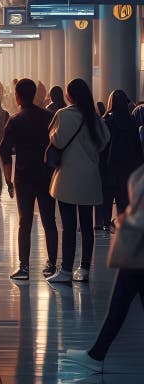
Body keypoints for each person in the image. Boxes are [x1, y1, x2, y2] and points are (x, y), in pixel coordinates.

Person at [65, 164, 144, 372]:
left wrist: (126, 221)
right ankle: (96, 354)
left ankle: (97, 355)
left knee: (120, 301)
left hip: (138, 247)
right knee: (120, 301)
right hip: (137, 248)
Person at [47, 78, 110, 283]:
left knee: (68, 226)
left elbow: (55, 140)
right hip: (90, 178)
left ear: (69, 95)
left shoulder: (63, 115)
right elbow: (103, 142)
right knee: (86, 224)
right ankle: (84, 269)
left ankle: (65, 270)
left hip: (67, 178)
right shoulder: (96, 118)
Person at [0, 78, 59, 280]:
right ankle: (51, 265)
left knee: (25, 222)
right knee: (49, 221)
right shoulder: (49, 117)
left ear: (17, 95)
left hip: (24, 177)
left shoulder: (15, 121)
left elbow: (4, 152)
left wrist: (8, 181)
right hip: (46, 175)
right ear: (35, 94)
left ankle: (24, 267)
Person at [99, 90, 143, 231]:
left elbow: (101, 147)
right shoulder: (131, 122)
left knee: (105, 205)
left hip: (107, 171)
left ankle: (104, 228)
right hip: (126, 173)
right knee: (123, 207)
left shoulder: (106, 121)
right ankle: (120, 232)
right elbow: (137, 149)